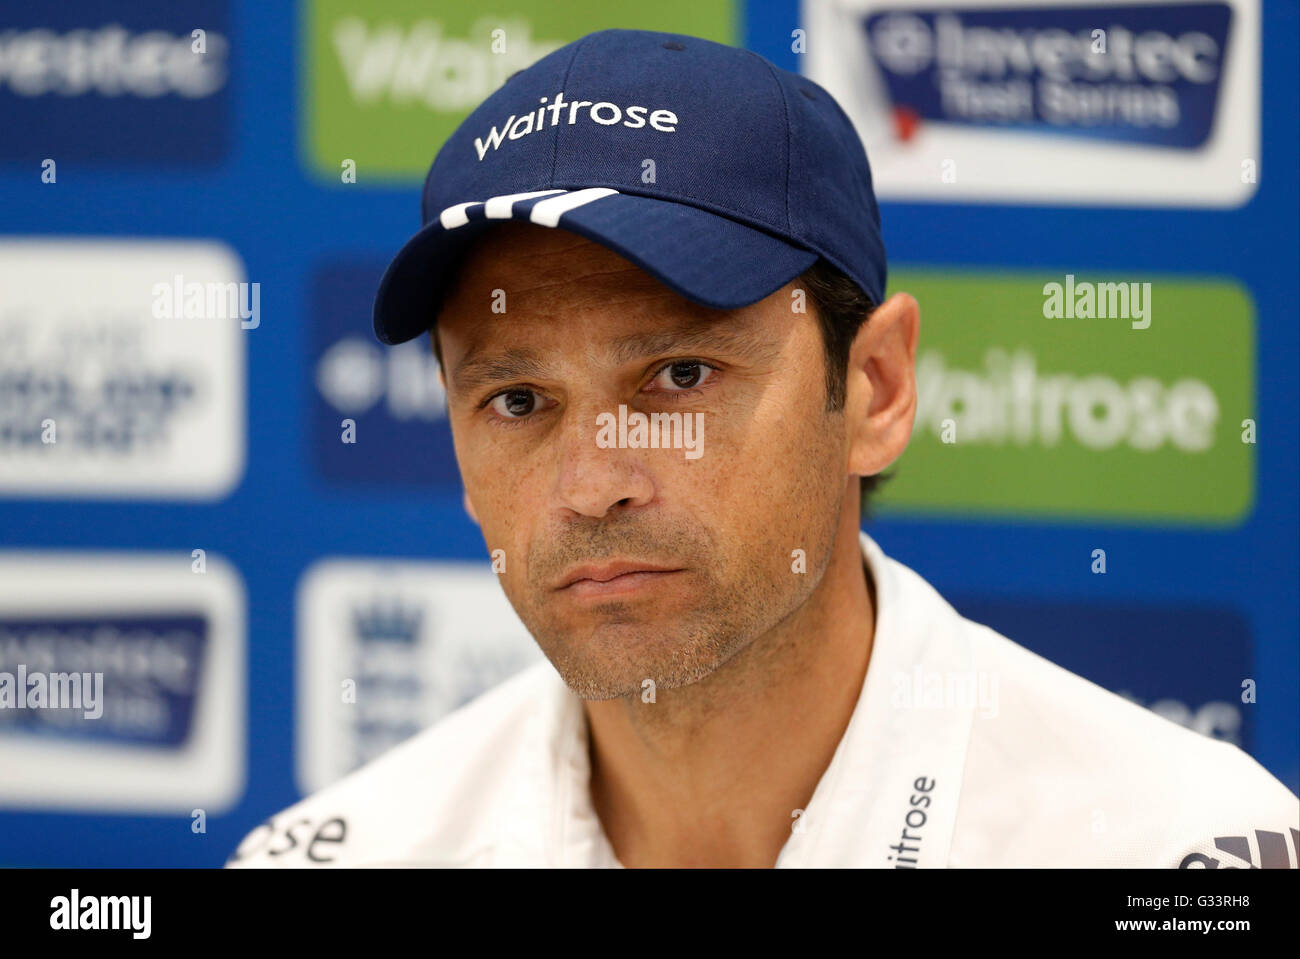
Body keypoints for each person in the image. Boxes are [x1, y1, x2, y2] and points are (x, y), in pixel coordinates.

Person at [228, 29, 1298, 868]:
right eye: (516, 399)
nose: (594, 481)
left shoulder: (1175, 851)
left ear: (874, 387)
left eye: (681, 376)